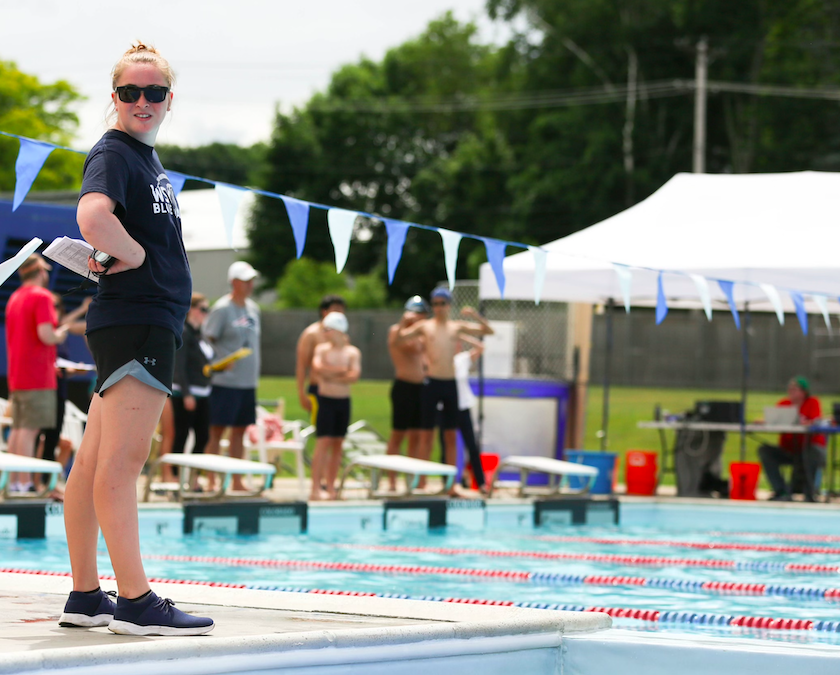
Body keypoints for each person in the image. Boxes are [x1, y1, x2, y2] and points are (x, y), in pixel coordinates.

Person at [61, 42, 213, 636]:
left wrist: (122, 253)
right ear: (115, 97)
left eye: (154, 92)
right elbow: (92, 215)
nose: (143, 101)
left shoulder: (143, 158)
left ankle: (85, 595)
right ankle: (135, 601)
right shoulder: (116, 152)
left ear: (170, 99)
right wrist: (135, 254)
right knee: (122, 464)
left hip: (130, 320)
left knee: (92, 463)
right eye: (131, 92)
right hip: (139, 320)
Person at [399, 287, 493, 493]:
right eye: (435, 304)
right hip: (432, 383)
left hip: (450, 384)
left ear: (449, 305)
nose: (439, 307)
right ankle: (421, 482)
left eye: (442, 303)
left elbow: (488, 331)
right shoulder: (425, 326)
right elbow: (401, 338)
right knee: (426, 436)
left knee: (451, 436)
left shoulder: (456, 327)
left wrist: (475, 315)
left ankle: (452, 485)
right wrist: (404, 322)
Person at [4, 254, 68, 493]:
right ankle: (24, 484)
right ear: (41, 272)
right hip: (38, 375)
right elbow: (46, 335)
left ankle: (13, 482)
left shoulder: (14, 297)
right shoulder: (42, 296)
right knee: (30, 431)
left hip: (18, 374)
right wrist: (60, 334)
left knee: (18, 429)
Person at [202, 261, 261, 492]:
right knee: (217, 430)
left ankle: (236, 479)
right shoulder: (222, 309)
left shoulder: (253, 309)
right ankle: (211, 479)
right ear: (234, 282)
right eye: (246, 281)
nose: (250, 285)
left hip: (247, 381)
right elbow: (206, 340)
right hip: (225, 382)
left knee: (240, 431)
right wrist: (220, 362)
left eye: (251, 281)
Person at [35, 293, 91, 496]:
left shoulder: (59, 333)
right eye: (52, 306)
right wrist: (83, 308)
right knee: (41, 439)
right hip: (44, 390)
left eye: (58, 306)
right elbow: (63, 324)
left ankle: (47, 483)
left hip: (58, 390)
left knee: (53, 439)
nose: (55, 310)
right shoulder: (49, 331)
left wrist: (72, 371)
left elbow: (65, 325)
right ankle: (36, 482)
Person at [309, 312, 361, 500]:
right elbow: (317, 369)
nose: (324, 333)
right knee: (322, 443)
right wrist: (342, 372)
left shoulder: (352, 352)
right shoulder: (322, 350)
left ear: (337, 330)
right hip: (326, 402)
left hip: (343, 402)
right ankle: (315, 489)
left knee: (338, 445)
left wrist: (329, 374)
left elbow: (354, 376)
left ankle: (331, 488)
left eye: (327, 329)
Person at [758, 377, 826, 502]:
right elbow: (771, 419)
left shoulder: (812, 402)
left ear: (804, 392)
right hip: (788, 450)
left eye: (795, 389)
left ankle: (810, 493)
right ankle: (781, 491)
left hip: (808, 449)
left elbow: (816, 421)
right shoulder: (784, 404)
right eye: (790, 389)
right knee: (765, 451)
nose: (791, 391)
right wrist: (763, 421)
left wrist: (804, 422)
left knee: (814, 453)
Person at [385, 295, 429, 491]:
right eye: (417, 314)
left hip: (421, 388)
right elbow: (397, 343)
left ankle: (412, 481)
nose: (419, 318)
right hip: (403, 387)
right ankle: (391, 481)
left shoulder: (422, 334)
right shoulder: (397, 331)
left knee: (416, 437)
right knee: (398, 435)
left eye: (422, 314)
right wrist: (405, 322)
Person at [170, 293, 213, 490]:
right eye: (202, 309)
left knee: (203, 436)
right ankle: (176, 477)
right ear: (191, 310)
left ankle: (194, 477)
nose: (205, 314)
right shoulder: (184, 332)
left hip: (203, 391)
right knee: (182, 435)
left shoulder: (199, 334)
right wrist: (187, 393)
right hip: (185, 393)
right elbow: (179, 366)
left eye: (207, 310)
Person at [295, 295, 347, 424]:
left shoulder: (342, 336)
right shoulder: (311, 334)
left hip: (338, 389)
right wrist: (301, 393)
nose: (340, 313)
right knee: (322, 431)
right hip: (318, 389)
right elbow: (301, 365)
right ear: (324, 311)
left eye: (342, 310)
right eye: (336, 310)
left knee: (338, 431)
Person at [453, 335, 488, 495]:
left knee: (472, 446)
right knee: (447, 445)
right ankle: (449, 482)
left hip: (463, 407)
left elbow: (480, 347)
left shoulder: (462, 359)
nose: (457, 345)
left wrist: (462, 334)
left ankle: (481, 483)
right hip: (446, 408)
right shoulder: (440, 360)